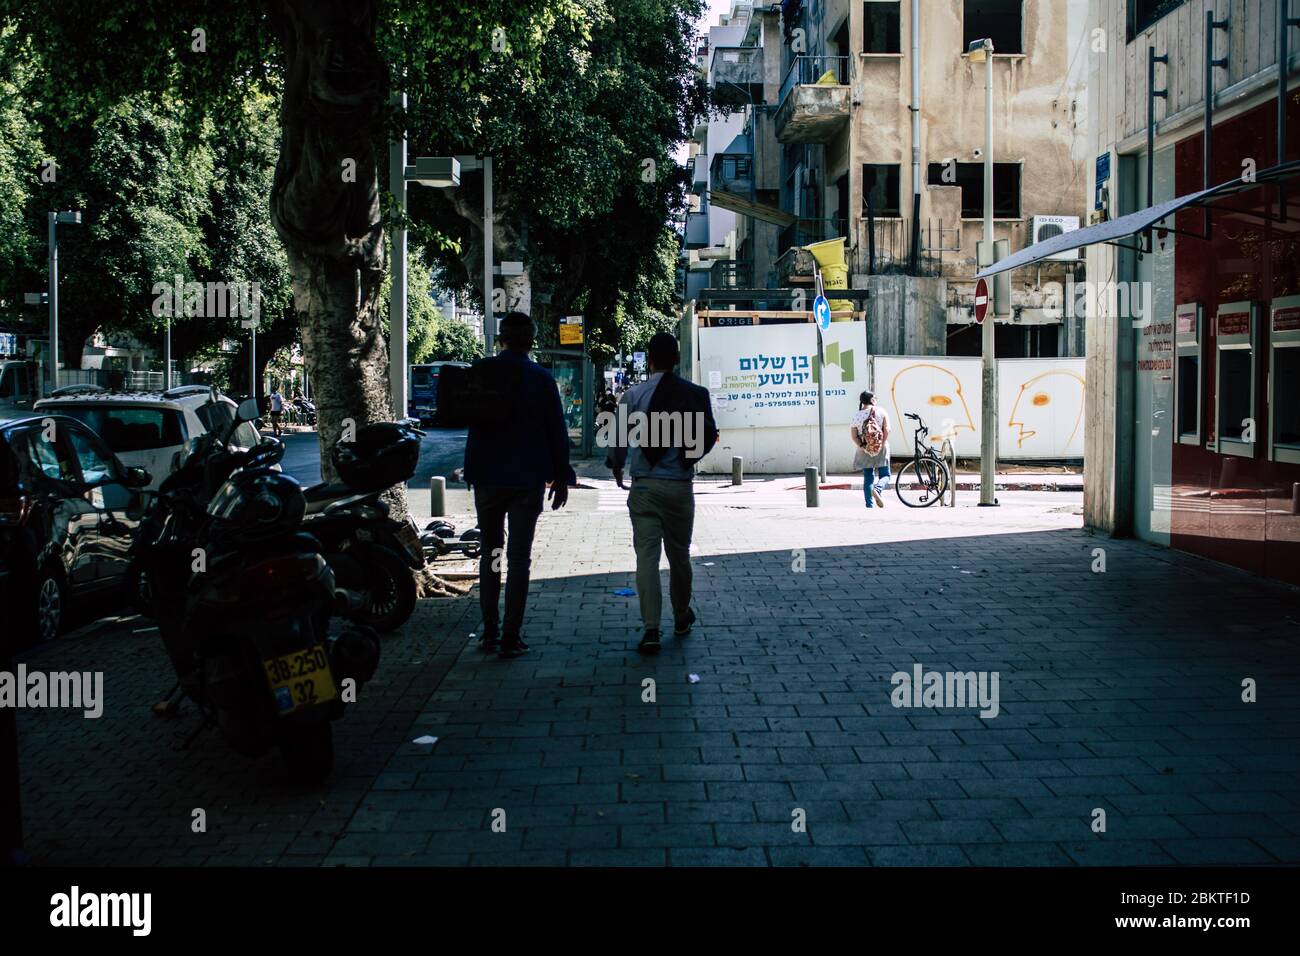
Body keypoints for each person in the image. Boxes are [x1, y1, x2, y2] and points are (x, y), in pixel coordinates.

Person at [463, 312, 569, 659]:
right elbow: (556, 431)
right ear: (531, 340)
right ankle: (511, 635)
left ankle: (489, 631)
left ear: (502, 339)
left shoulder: (484, 371)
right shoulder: (541, 378)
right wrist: (561, 476)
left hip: (488, 477)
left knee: (491, 551)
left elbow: (472, 423)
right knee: (519, 557)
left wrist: (472, 468)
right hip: (527, 479)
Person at [607, 332, 717, 655]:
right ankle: (681, 616)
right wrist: (688, 456)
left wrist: (616, 466)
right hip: (680, 486)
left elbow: (618, 440)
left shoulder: (633, 396)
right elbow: (709, 433)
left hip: (645, 485)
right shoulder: (695, 394)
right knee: (679, 556)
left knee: (647, 558)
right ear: (677, 358)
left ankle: (651, 628)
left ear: (650, 359)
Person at [851, 390, 890, 509]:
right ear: (872, 400)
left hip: (864, 449)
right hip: (881, 447)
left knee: (868, 477)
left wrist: (863, 447)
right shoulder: (881, 411)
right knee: (885, 475)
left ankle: (869, 506)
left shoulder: (857, 415)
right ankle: (878, 489)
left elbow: (853, 436)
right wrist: (881, 445)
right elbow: (887, 429)